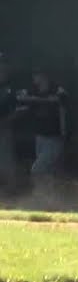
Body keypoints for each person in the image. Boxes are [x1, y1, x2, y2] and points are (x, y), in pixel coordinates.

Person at [17, 68, 68, 206]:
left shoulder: (56, 89)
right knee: (48, 173)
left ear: (44, 76)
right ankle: (47, 201)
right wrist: (35, 99)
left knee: (37, 169)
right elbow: (19, 97)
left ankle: (40, 197)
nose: (34, 78)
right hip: (40, 137)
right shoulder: (33, 90)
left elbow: (62, 102)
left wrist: (64, 132)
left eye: (36, 75)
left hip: (54, 138)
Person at [0, 53, 17, 196]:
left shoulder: (10, 88)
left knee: (6, 161)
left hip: (4, 128)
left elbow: (15, 110)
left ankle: (9, 193)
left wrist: (6, 121)